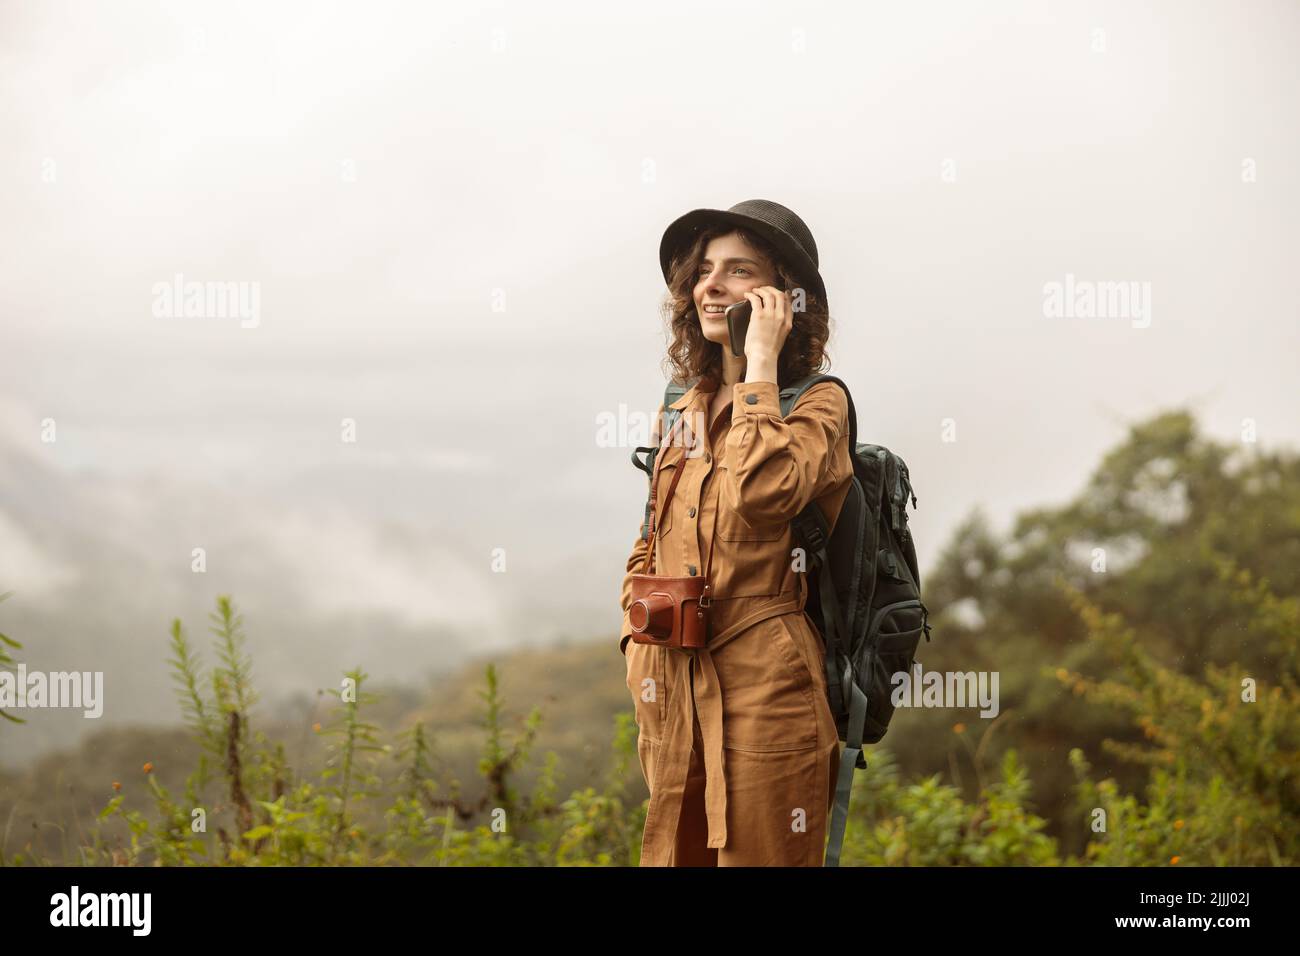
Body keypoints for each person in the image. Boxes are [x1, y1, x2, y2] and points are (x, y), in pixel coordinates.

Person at [619, 199, 855, 866]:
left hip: (767, 687)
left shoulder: (818, 402)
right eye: (703, 271)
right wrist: (635, 645)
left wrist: (758, 367)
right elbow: (650, 536)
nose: (710, 286)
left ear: (785, 298)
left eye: (738, 271)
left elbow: (763, 494)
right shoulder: (682, 403)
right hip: (671, 682)